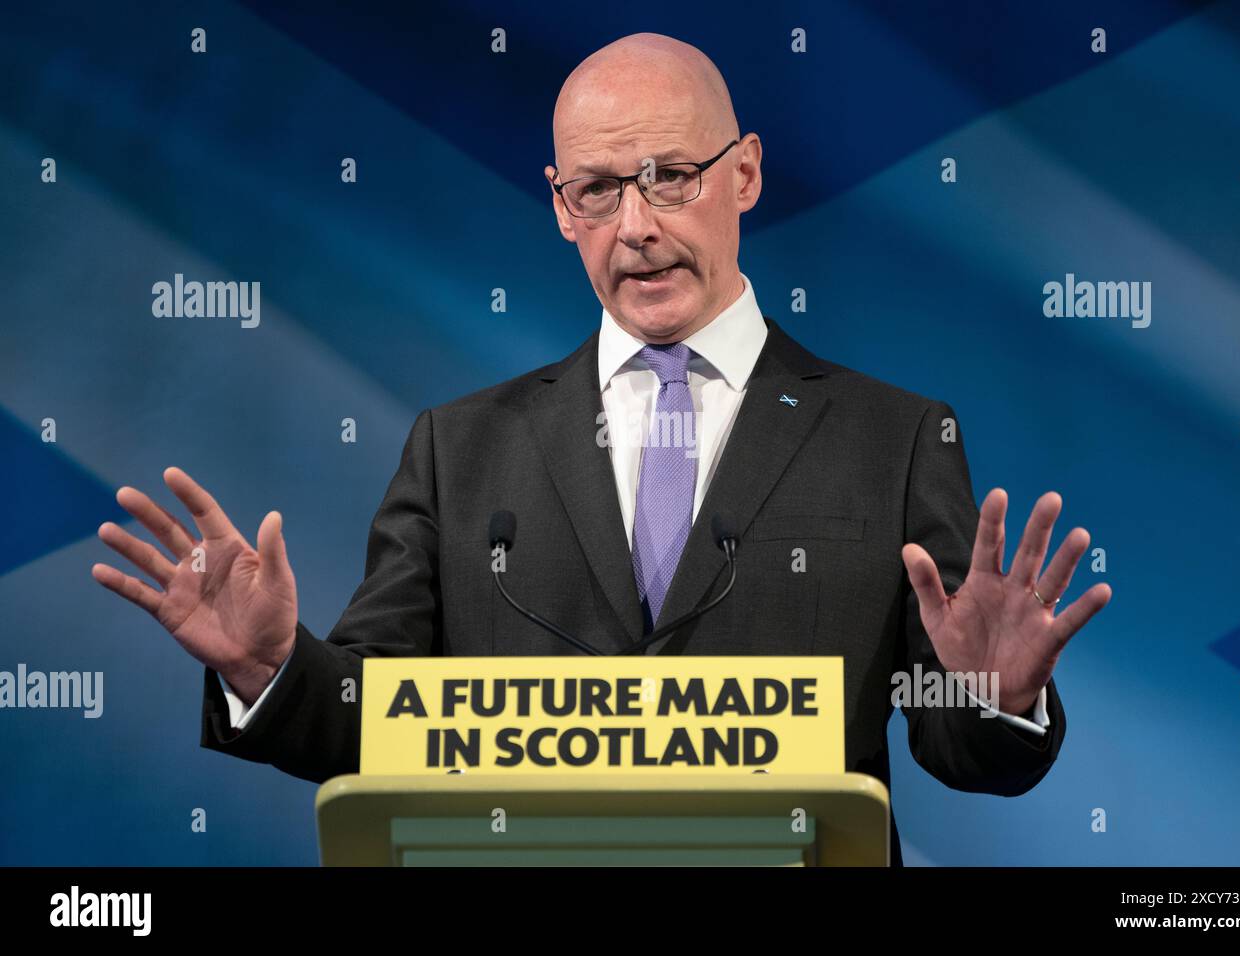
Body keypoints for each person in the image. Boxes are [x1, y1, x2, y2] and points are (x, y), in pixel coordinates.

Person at [91, 33, 1111, 865]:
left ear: (744, 171)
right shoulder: (458, 447)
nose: (635, 225)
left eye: (670, 177)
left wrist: (989, 693)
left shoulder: (892, 437)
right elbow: (381, 724)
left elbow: (952, 742)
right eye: (597, 189)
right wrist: (275, 666)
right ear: (556, 204)